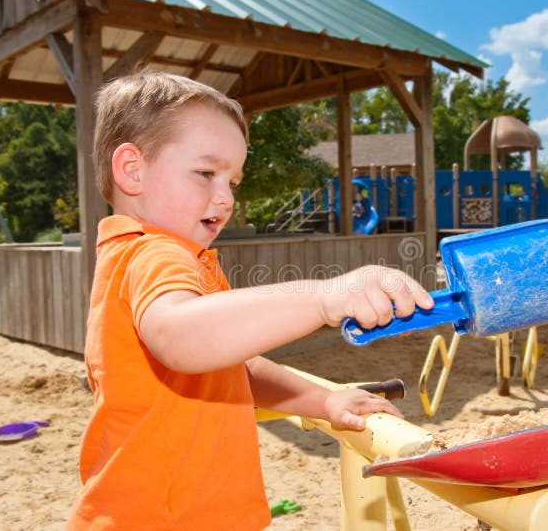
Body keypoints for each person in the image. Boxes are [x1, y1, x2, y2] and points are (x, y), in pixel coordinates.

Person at [67, 72, 433, 529]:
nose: (224, 199)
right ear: (132, 170)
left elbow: (236, 370)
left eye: (233, 182)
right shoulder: (152, 252)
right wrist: (322, 298)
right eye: (205, 173)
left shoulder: (179, 258)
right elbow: (179, 337)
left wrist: (323, 400)